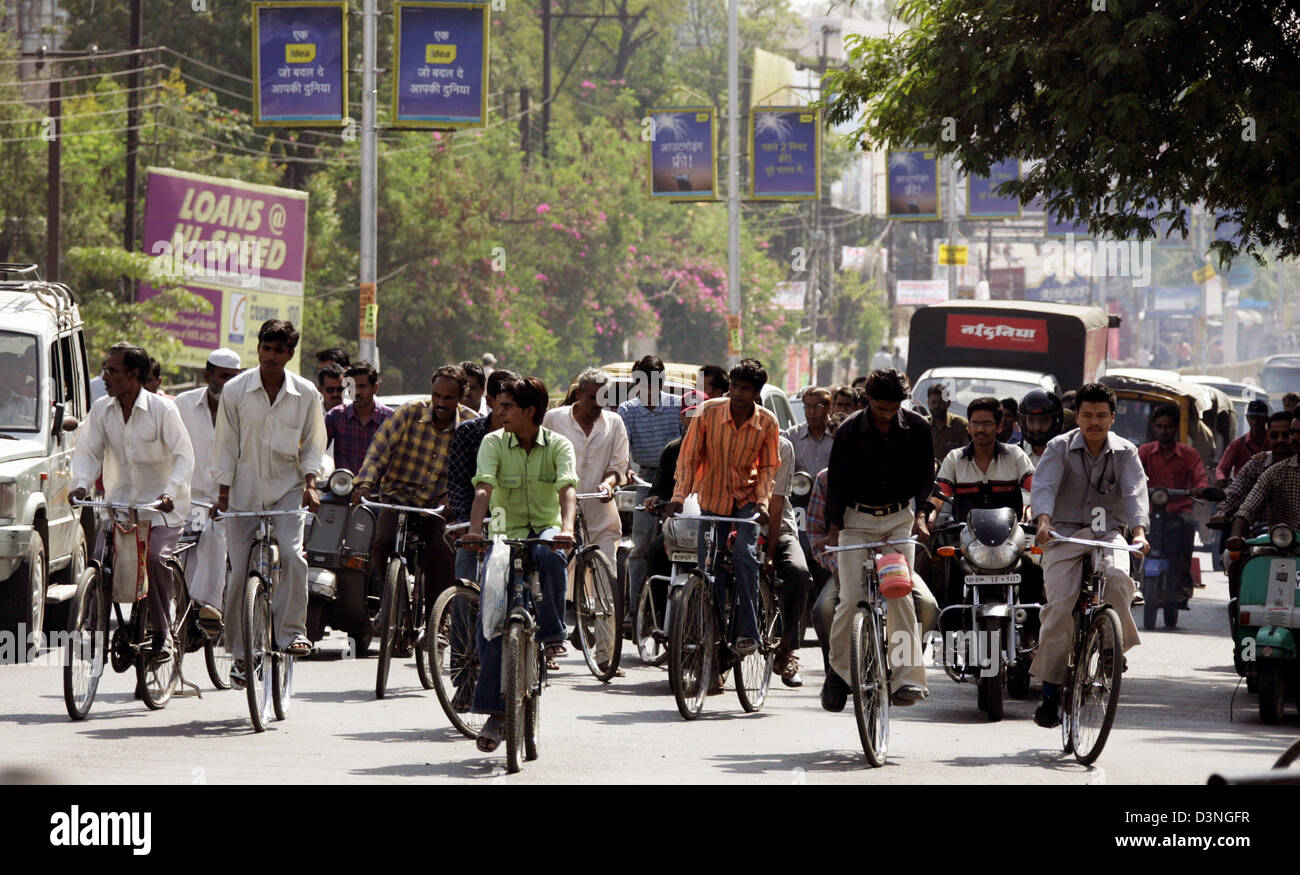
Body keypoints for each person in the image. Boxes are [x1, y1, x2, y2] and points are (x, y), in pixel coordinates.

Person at [463, 376, 578, 752]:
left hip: (545, 529)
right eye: (499, 405)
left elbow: (567, 489)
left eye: (508, 406)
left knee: (550, 554)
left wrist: (566, 528)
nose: (499, 411)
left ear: (530, 411)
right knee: (492, 618)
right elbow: (484, 488)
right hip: (502, 532)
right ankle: (496, 715)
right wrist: (476, 530)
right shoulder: (493, 442)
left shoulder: (558, 445)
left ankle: (552, 632)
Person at [1028, 381, 1149, 728]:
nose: (1093, 422)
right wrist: (1044, 521)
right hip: (1063, 534)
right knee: (1059, 608)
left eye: (1100, 415)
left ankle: (1111, 646)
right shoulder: (1058, 447)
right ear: (1076, 417)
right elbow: (1045, 486)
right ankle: (1050, 693)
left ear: (1112, 418)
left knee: (1118, 579)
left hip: (1109, 533)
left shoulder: (1126, 452)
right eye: (1086, 415)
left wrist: (1139, 534)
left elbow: (1135, 493)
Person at [213, 320, 326, 686]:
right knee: (238, 576)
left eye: (280, 350)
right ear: (258, 348)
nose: (272, 356)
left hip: (288, 489)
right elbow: (226, 444)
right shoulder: (235, 390)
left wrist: (311, 484)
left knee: (292, 556)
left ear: (290, 354)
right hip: (243, 492)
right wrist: (223, 492)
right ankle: (241, 656)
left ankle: (292, 633)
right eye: (266, 348)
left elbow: (312, 445)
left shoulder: (306, 393)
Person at [70, 343, 194, 662]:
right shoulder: (101, 409)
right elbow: (87, 452)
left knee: (154, 560)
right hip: (121, 508)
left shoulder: (162, 410)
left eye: (112, 371)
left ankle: (163, 634)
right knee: (99, 562)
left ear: (134, 375)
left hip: (161, 510)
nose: (105, 377)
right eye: (105, 370)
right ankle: (93, 628)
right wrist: (81, 485)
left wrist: (170, 491)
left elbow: (184, 456)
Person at [824, 368, 935, 710]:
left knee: (899, 594)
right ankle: (839, 674)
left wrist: (920, 516)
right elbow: (837, 484)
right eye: (881, 407)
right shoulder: (847, 431)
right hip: (854, 522)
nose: (888, 414)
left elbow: (924, 478)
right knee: (851, 597)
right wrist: (833, 529)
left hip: (897, 523)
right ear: (868, 400)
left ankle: (907, 680)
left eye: (894, 408)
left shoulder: (917, 428)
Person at [667, 359, 781, 664]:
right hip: (712, 499)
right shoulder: (708, 411)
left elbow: (769, 467)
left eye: (745, 389)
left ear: (756, 393)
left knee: (744, 555)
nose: (737, 393)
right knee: (708, 564)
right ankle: (711, 630)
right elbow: (689, 457)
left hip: (747, 499)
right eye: (734, 386)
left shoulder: (767, 422)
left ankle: (748, 631)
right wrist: (679, 496)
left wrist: (763, 502)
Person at [353, 363, 478, 614]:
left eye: (448, 398)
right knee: (382, 541)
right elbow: (378, 451)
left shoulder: (471, 424)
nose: (441, 403)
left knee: (441, 554)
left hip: (439, 504)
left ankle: (436, 620)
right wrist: (365, 483)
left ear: (461, 397)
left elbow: (476, 472)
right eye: (437, 395)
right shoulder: (409, 412)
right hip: (398, 497)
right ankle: (393, 598)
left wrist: (456, 500)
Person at [543, 369, 630, 674]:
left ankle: (606, 655)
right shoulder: (554, 419)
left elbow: (619, 466)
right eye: (593, 397)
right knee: (547, 578)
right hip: (557, 511)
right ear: (579, 394)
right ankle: (546, 646)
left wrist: (609, 484)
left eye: (604, 397)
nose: (598, 403)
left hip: (599, 510)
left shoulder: (615, 422)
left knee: (608, 581)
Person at [174, 348, 242, 629]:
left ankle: (206, 607)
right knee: (176, 555)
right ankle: (177, 610)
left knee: (214, 536)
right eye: (222, 376)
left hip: (226, 503)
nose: (227, 384)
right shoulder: (182, 405)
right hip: (186, 500)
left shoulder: (244, 409)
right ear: (208, 375)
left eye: (233, 378)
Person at [618, 355, 683, 633]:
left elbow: (686, 444)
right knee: (640, 547)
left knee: (681, 544)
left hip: (677, 476)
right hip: (644, 477)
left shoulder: (676, 405)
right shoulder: (628, 410)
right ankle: (635, 614)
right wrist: (627, 472)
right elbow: (623, 449)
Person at [1137, 403, 1210, 606]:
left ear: (1176, 427)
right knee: (1132, 534)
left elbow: (1200, 477)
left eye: (1168, 427)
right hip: (1150, 512)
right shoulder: (1144, 452)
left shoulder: (1189, 454)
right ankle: (1132, 577)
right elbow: (1132, 474)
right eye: (1159, 426)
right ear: (1154, 427)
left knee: (1187, 528)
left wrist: (1200, 488)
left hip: (1179, 512)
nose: (1163, 431)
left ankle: (1183, 579)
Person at [767, 434, 813, 687]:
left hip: (777, 528)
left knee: (798, 572)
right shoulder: (723, 440)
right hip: (737, 526)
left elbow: (775, 504)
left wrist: (771, 553)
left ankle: (788, 648)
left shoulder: (782, 447)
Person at [1212, 410, 1296, 528]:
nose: (1280, 440)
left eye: (1285, 435)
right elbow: (1236, 494)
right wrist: (1222, 513)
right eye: (1274, 435)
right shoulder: (1257, 464)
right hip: (1259, 533)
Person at [324, 361, 393, 474]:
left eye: (362, 386)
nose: (356, 392)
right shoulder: (336, 416)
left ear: (375, 387)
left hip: (379, 490)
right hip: (345, 488)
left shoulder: (390, 419)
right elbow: (315, 450)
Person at [1216, 399, 1270, 485]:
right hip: (1242, 491)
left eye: (1259, 419)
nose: (1255, 422)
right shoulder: (1237, 445)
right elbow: (1222, 469)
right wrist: (1221, 478)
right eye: (1252, 418)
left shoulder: (1274, 442)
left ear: (1266, 419)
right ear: (1247, 418)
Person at [785, 387, 833, 482]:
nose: (812, 412)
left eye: (817, 406)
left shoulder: (838, 434)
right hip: (799, 493)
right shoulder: (791, 436)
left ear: (828, 408)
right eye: (808, 406)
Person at [1019, 388, 1065, 467]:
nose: (1037, 427)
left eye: (1044, 420)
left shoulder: (1068, 454)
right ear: (1023, 422)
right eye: (1031, 420)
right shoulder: (1015, 454)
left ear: (1055, 421)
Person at [928, 383, 969, 461]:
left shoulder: (961, 425)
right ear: (928, 403)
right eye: (933, 402)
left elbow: (968, 453)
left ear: (948, 403)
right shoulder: (922, 425)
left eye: (941, 402)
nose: (937, 406)